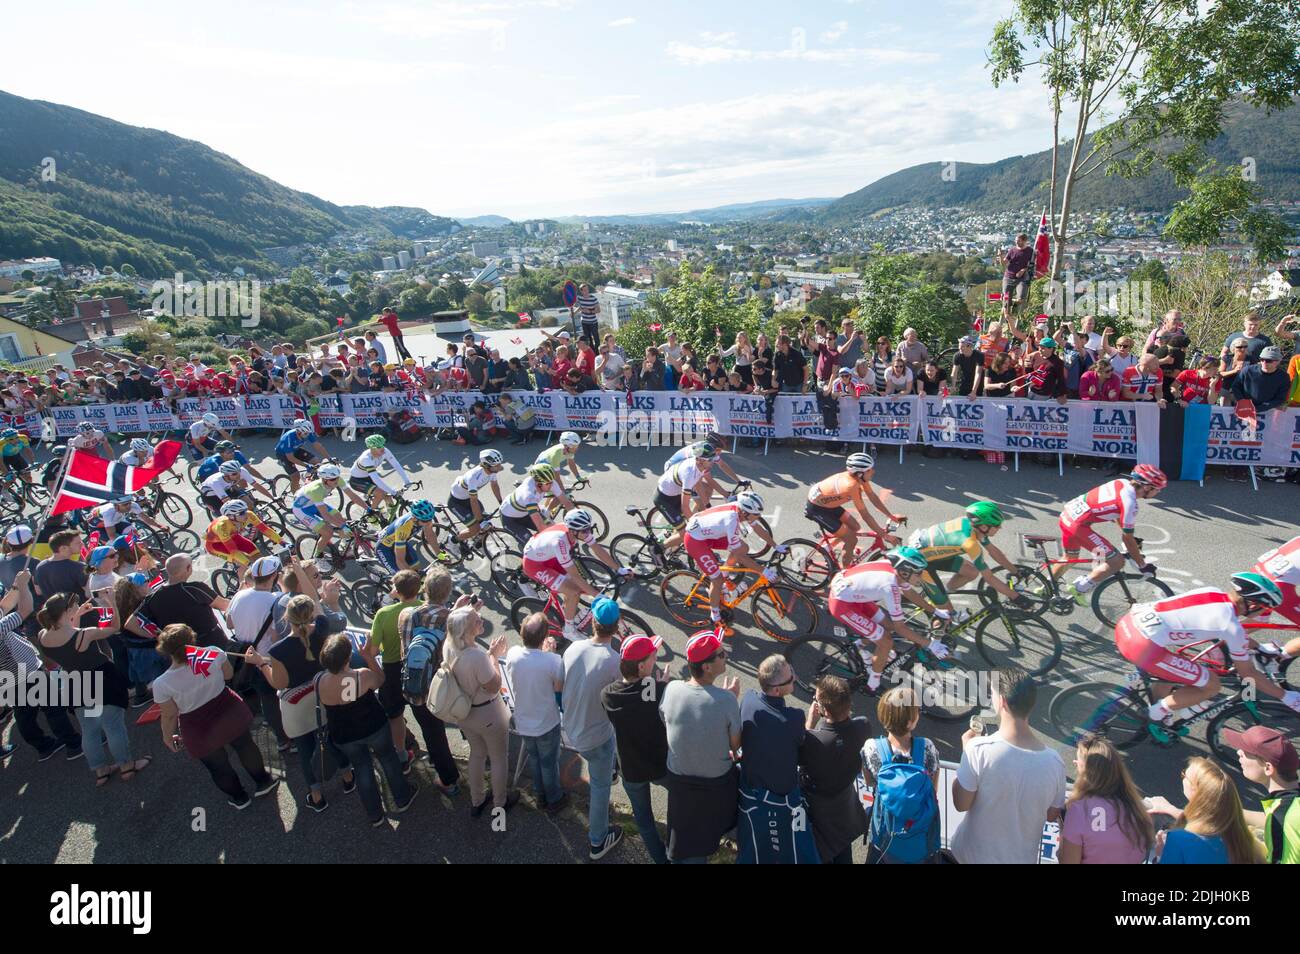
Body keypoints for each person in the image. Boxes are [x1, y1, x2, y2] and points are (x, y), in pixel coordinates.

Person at [1113, 574, 1300, 729]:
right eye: (1265, 609)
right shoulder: (1229, 624)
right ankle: (1155, 713)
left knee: (1172, 672)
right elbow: (1248, 673)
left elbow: (1234, 634)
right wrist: (1285, 696)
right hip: (1142, 645)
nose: (1263, 615)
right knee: (1212, 684)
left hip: (1127, 624)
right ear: (1253, 605)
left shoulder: (1213, 592)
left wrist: (1258, 647)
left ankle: (1158, 705)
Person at [243, 590, 357, 813]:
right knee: (331, 740)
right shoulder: (323, 629)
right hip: (324, 695)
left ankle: (316, 796)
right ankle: (347, 776)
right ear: (311, 612)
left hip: (297, 707)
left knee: (306, 751)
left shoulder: (277, 650)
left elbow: (279, 683)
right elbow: (317, 601)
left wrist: (260, 663)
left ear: (287, 618)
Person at [951, 667, 1066, 864]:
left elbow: (961, 803)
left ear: (1002, 701)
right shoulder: (1055, 762)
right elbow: (1052, 814)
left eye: (993, 693)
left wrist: (966, 752)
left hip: (970, 857)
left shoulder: (978, 749)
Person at [152, 623, 274, 808]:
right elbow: (228, 674)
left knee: (218, 766)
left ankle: (239, 797)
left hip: (197, 725)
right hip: (227, 709)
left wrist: (167, 736)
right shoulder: (213, 653)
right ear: (192, 639)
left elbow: (169, 715)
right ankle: (263, 781)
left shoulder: (162, 684)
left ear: (166, 650)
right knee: (245, 747)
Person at [316, 631, 417, 825]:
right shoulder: (361, 676)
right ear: (348, 657)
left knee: (362, 768)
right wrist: (369, 658)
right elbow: (380, 679)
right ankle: (402, 798)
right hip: (373, 727)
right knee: (388, 759)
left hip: (344, 734)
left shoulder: (319, 680)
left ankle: (374, 813)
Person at [660, 630, 742, 864]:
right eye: (721, 654)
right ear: (707, 667)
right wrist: (731, 701)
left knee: (684, 838)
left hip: (678, 778)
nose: (725, 656)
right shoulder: (725, 700)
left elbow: (665, 720)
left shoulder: (672, 689)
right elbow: (735, 746)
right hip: (714, 783)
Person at [735, 654, 819, 864]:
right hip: (782, 794)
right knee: (794, 844)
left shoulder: (749, 699)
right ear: (776, 690)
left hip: (752, 791)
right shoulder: (793, 717)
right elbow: (802, 742)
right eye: (791, 679)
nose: (795, 679)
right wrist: (811, 720)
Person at [827, 548, 949, 691]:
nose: (921, 576)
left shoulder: (897, 571)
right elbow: (901, 628)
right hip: (842, 604)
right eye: (918, 573)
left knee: (888, 626)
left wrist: (935, 611)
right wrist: (930, 644)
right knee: (886, 641)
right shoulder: (890, 587)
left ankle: (859, 645)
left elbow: (909, 593)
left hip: (851, 593)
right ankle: (872, 684)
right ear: (905, 572)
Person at [561, 596, 625, 860]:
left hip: (571, 727)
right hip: (596, 736)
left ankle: (610, 769)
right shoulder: (614, 660)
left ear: (593, 624)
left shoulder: (573, 648)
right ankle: (598, 841)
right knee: (600, 788)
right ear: (617, 626)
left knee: (603, 768)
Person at [601, 633, 670, 864]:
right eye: (653, 656)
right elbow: (648, 698)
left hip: (631, 769)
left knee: (644, 820)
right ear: (642, 666)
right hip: (661, 766)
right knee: (681, 805)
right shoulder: (658, 692)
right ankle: (676, 849)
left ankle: (660, 859)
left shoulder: (608, 695)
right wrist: (663, 686)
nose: (656, 657)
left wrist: (656, 685)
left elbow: (636, 693)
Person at [1053, 465, 1166, 604]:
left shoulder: (1121, 482)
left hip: (1066, 516)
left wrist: (1129, 539)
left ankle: (1046, 587)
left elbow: (1119, 516)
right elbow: (1127, 537)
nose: (1159, 492)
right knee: (1117, 561)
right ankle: (1079, 588)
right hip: (1078, 526)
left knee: (1070, 557)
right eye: (1158, 489)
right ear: (1147, 487)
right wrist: (1142, 565)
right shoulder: (1130, 503)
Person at [862, 686, 941, 863]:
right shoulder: (927, 747)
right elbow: (932, 788)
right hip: (920, 839)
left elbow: (869, 781)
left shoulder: (871, 747)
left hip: (884, 839)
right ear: (911, 722)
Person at [908, 501, 1025, 620]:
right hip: (919, 563)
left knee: (972, 571)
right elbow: (989, 577)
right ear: (984, 527)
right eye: (997, 525)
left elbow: (995, 552)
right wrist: (1016, 597)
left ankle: (944, 592)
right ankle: (941, 616)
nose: (1000, 527)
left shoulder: (973, 526)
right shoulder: (969, 543)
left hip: (932, 554)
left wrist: (1015, 571)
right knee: (947, 616)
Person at [799, 674, 870, 864]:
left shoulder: (813, 740)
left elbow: (802, 750)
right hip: (845, 806)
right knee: (843, 848)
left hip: (818, 812)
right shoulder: (863, 726)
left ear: (824, 711)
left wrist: (810, 723)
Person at [504, 612, 568, 814]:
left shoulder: (513, 654)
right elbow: (558, 689)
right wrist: (549, 653)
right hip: (547, 722)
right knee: (549, 763)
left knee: (534, 758)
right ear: (545, 636)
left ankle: (540, 794)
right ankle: (554, 798)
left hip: (523, 720)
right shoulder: (553, 661)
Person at [1059, 733, 1155, 864]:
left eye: (1077, 763)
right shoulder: (1139, 811)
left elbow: (1068, 861)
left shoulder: (1079, 810)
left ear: (1086, 771)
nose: (1074, 763)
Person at [1146, 757, 1262, 863]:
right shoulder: (1243, 839)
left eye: (1184, 775)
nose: (1182, 777)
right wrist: (1171, 809)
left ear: (1196, 791)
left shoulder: (1178, 839)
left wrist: (1161, 855)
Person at [369, 569, 425, 769]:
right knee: (426, 714)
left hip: (392, 669)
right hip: (420, 665)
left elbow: (373, 649)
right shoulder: (425, 607)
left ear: (396, 590)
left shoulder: (384, 614)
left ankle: (401, 755)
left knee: (395, 715)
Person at [805, 453, 904, 567]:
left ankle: (827, 548)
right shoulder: (851, 486)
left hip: (827, 503)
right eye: (869, 470)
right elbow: (865, 515)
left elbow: (873, 497)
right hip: (817, 509)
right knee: (851, 539)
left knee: (855, 527)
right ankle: (844, 576)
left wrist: (890, 516)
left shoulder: (860, 479)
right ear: (860, 473)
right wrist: (885, 536)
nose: (873, 472)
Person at [1222, 725, 1300, 863]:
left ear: (1268, 768)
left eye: (1246, 751)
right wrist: (1227, 810)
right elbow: (1271, 817)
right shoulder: (1289, 805)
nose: (1239, 752)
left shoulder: (1282, 821)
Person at [128, 553, 230, 649]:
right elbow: (225, 606)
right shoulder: (195, 589)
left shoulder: (153, 597)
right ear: (188, 568)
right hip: (212, 643)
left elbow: (130, 624)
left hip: (182, 651)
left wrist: (159, 636)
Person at [348, 434, 412, 510]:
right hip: (357, 480)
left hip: (368, 477)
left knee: (387, 495)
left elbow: (396, 464)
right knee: (381, 493)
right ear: (371, 448)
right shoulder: (366, 459)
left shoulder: (385, 451)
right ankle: (371, 514)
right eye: (378, 447)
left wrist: (406, 480)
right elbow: (376, 479)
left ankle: (392, 519)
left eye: (382, 445)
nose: (382, 448)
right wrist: (393, 492)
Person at [1231, 345, 1290, 412]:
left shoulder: (1283, 377)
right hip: (1245, 409)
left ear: (1278, 361)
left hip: (1268, 412)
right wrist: (1243, 402)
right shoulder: (1247, 371)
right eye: (1262, 359)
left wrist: (1260, 408)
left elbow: (1280, 398)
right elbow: (1235, 387)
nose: (1264, 363)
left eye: (1268, 360)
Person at [999, 233, 1033, 315]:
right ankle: (1007, 316)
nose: (1016, 242)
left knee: (1021, 298)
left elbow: (1032, 265)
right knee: (1006, 300)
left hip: (1021, 278)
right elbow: (1004, 263)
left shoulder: (1030, 251)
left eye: (1019, 241)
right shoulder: (1012, 250)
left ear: (1025, 241)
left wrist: (1023, 270)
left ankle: (1014, 308)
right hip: (1009, 276)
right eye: (1016, 241)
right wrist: (1000, 256)